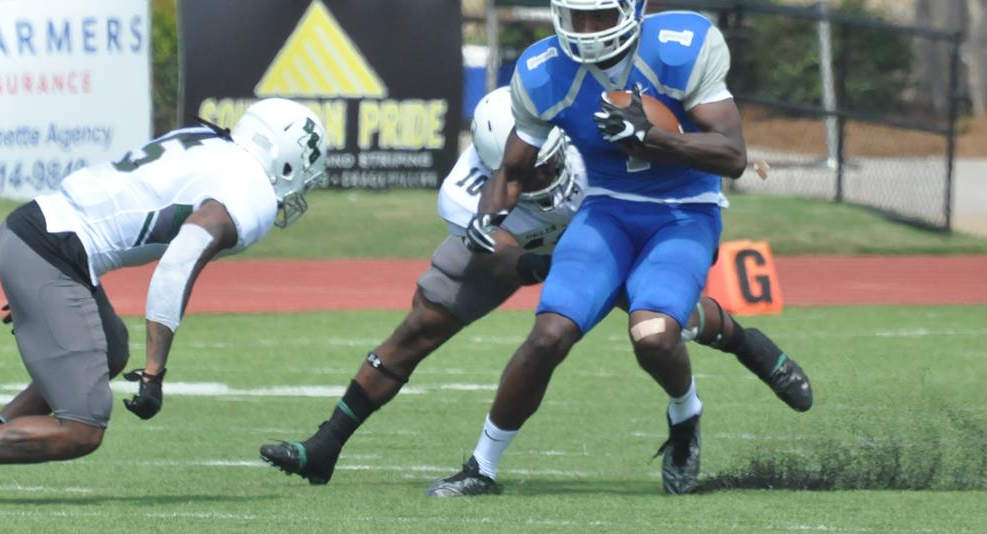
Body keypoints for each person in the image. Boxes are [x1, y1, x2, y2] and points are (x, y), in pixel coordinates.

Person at [258, 87, 811, 487]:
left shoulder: (582, 138)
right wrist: (542, 268)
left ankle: (746, 343)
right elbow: (500, 255)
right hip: (517, 249)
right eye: (526, 175)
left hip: (598, 227)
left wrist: (708, 152)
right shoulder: (463, 191)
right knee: (419, 328)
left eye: (544, 168)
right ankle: (325, 446)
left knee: (668, 320)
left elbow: (665, 146)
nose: (541, 181)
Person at [427, 0, 772, 498]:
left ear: (633, 7)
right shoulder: (545, 71)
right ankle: (481, 467)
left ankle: (686, 416)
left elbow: (731, 155)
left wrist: (655, 138)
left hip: (683, 211)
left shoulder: (682, 46)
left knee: (655, 336)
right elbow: (513, 169)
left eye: (598, 15)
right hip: (607, 208)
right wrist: (488, 220)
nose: (585, 29)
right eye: (574, 15)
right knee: (548, 334)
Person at [0, 98, 329, 506]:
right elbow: (177, 265)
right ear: (286, 159)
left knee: (111, 349)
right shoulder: (250, 189)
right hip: (51, 250)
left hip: (43, 231)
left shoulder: (205, 141)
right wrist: (154, 372)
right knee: (82, 426)